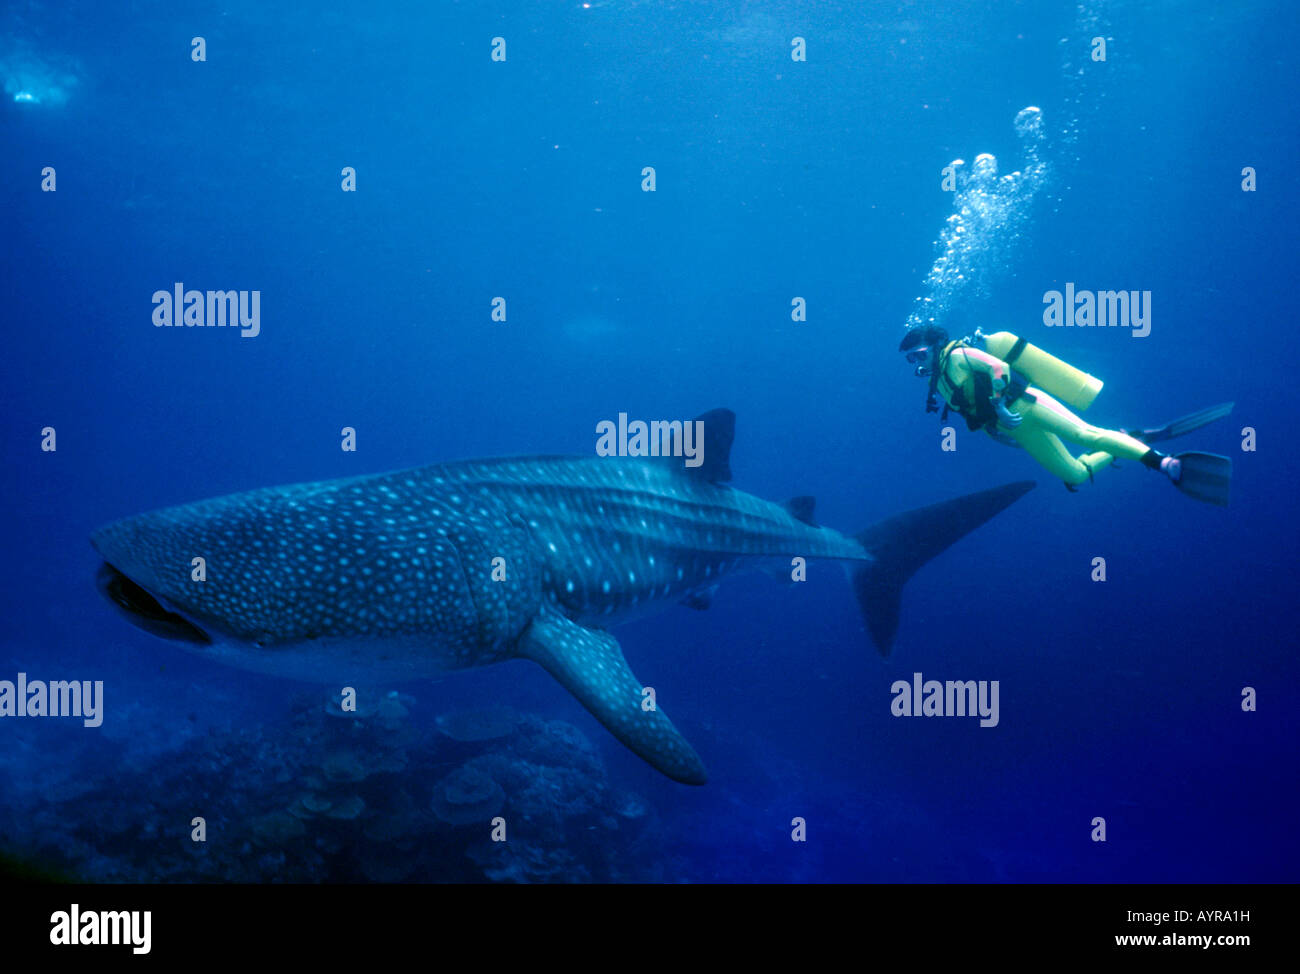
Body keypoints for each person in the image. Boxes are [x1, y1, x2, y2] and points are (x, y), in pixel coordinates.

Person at [899, 326, 1233, 505]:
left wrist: (1001, 405)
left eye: (920, 354)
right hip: (1015, 428)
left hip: (1027, 404)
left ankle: (1163, 462)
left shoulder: (958, 355)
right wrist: (995, 429)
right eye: (911, 359)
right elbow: (970, 408)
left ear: (934, 344)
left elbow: (998, 366)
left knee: (1084, 434)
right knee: (1073, 474)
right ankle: (1130, 439)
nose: (918, 362)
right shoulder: (938, 383)